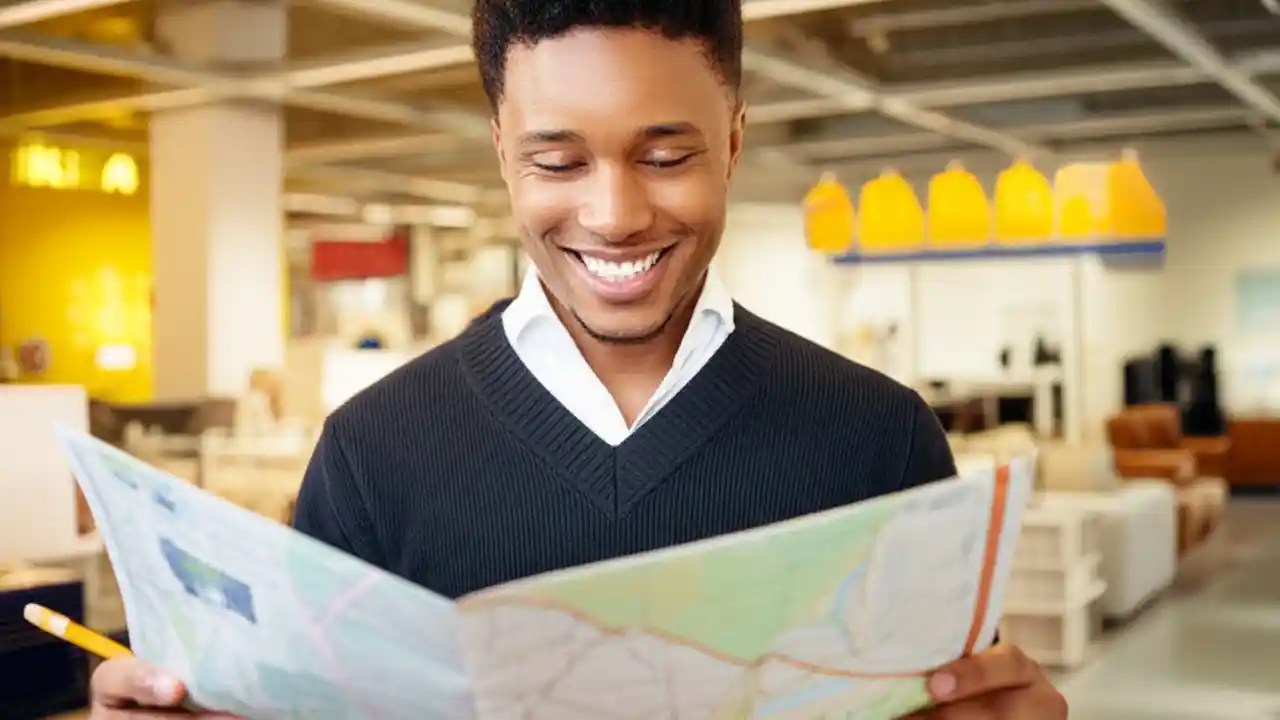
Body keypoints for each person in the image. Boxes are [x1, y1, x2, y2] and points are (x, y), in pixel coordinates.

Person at [86, 1, 1067, 718]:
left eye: (664, 156)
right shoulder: (371, 453)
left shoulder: (874, 438)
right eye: (556, 162)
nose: (612, 216)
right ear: (500, 150)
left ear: (731, 142)